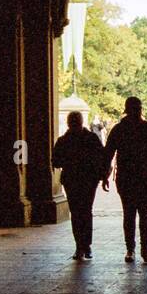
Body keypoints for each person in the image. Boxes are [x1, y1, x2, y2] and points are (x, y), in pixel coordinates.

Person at [102, 95, 147, 263]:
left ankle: (132, 249)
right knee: (144, 214)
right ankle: (144, 249)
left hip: (127, 177)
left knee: (129, 214)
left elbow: (108, 154)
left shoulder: (118, 129)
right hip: (144, 177)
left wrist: (104, 175)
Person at [53, 110, 106, 260]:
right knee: (85, 212)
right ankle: (86, 246)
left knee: (76, 213)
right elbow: (101, 157)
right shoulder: (91, 138)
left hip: (72, 180)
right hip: (88, 180)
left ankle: (80, 246)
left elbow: (56, 161)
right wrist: (101, 175)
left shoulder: (63, 140)